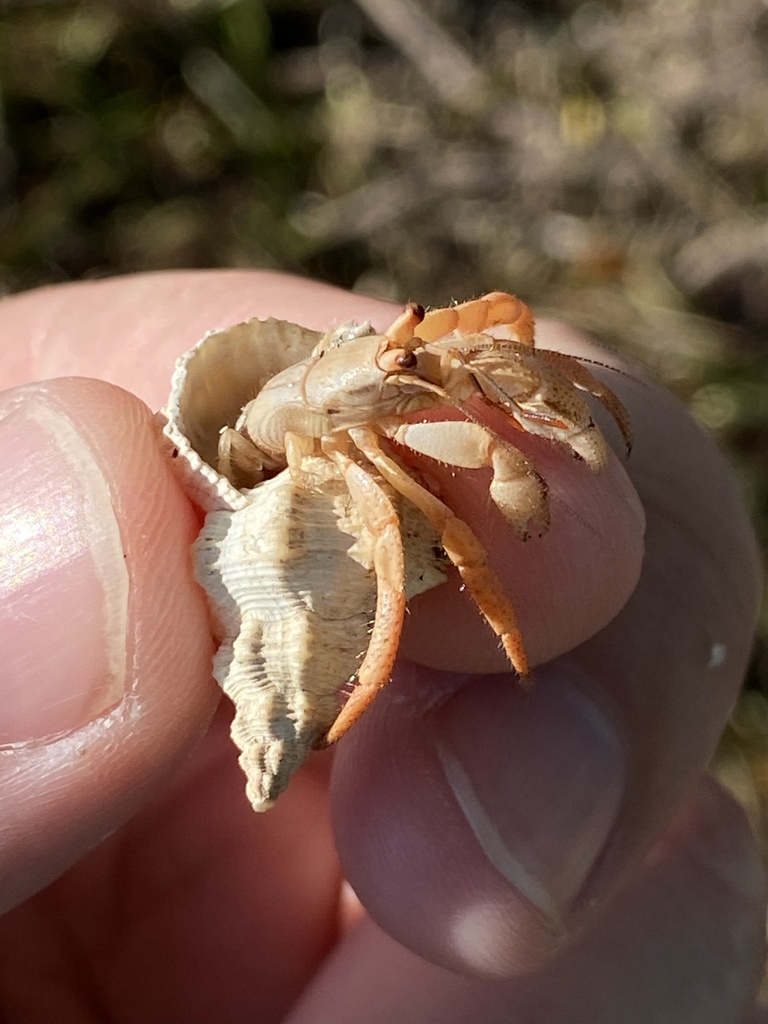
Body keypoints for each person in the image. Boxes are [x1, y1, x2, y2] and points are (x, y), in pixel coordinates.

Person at [0, 270, 764, 1023]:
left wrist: (534, 387)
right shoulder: (342, 434)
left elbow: (494, 317)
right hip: (299, 459)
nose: (420, 358)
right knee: (446, 539)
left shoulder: (397, 366)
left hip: (327, 422)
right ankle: (389, 672)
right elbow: (438, 528)